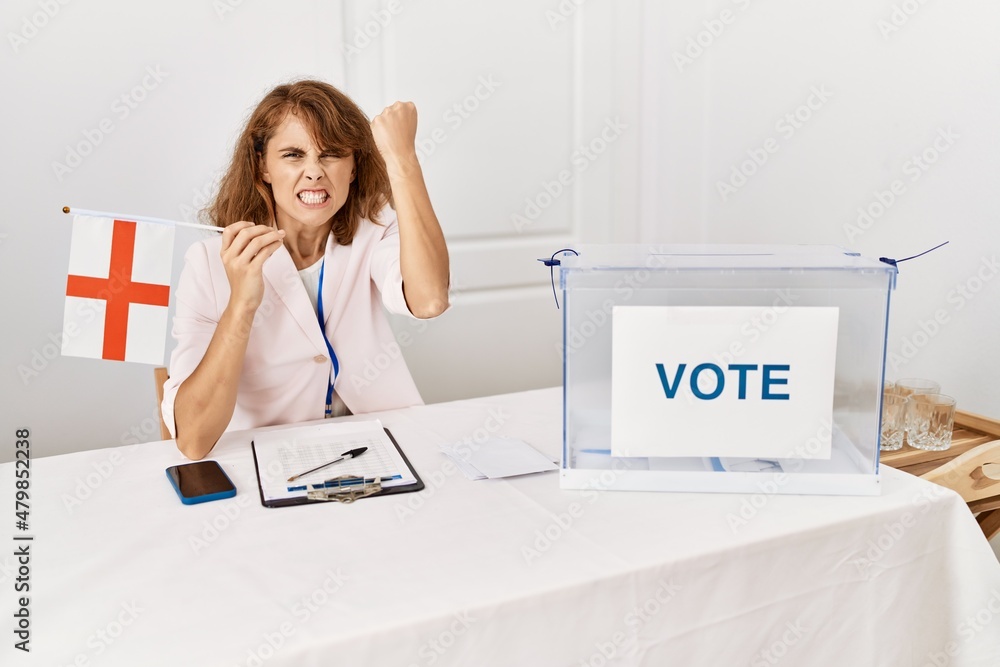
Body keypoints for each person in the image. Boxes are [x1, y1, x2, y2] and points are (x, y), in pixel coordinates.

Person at [161, 80, 450, 460]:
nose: (314, 172)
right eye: (294, 155)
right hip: (267, 458)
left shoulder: (373, 231)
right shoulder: (207, 263)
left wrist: (402, 159)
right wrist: (242, 305)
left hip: (374, 448)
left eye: (330, 154)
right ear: (262, 166)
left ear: (353, 168)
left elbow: (429, 300)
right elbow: (194, 440)